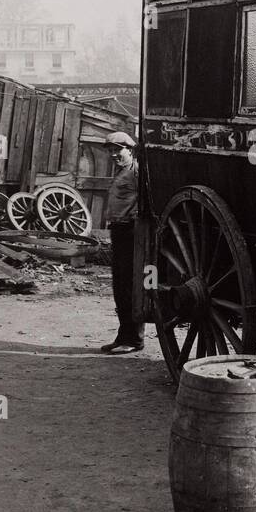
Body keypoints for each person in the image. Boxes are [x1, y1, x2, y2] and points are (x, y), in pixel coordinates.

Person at [101, 131, 143, 354]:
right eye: (110, 151)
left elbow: (145, 201)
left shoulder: (137, 171)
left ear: (130, 150)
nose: (114, 155)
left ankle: (134, 340)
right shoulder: (122, 171)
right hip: (119, 229)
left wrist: (135, 224)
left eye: (118, 150)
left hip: (130, 231)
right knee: (119, 286)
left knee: (129, 286)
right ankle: (123, 336)